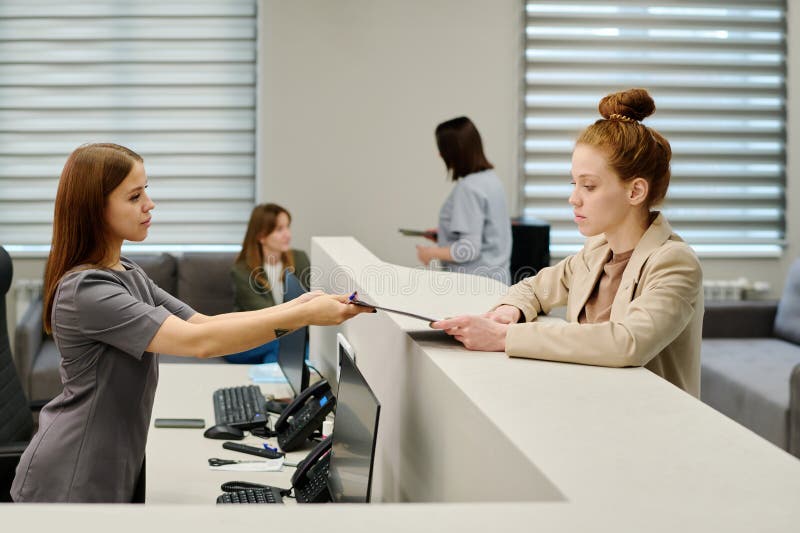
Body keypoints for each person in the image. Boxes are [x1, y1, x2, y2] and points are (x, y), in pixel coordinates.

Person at [10, 143, 372, 503]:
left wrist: (300, 304)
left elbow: (204, 324)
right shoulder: (87, 290)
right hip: (73, 473)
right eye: (135, 196)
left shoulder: (128, 273)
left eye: (145, 192)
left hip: (114, 463)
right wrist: (304, 316)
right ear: (95, 208)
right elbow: (200, 344)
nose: (149, 205)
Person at [431, 89, 704, 397]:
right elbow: (533, 288)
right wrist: (511, 310)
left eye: (589, 186)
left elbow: (627, 343)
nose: (574, 198)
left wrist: (505, 337)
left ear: (635, 192)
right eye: (574, 184)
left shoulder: (675, 262)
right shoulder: (596, 253)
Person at [416, 116, 512, 284]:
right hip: (497, 282)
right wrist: (445, 235)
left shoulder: (468, 188)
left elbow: (469, 249)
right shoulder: (491, 180)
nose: (439, 155)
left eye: (441, 150)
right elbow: (487, 234)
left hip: (473, 286)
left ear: (450, 153)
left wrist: (430, 253)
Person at [226, 203, 311, 363]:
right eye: (279, 229)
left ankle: (272, 379)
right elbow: (267, 319)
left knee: (279, 352)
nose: (288, 234)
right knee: (280, 347)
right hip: (248, 340)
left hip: (286, 336)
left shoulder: (300, 259)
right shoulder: (242, 270)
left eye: (287, 227)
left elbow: (312, 302)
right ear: (261, 236)